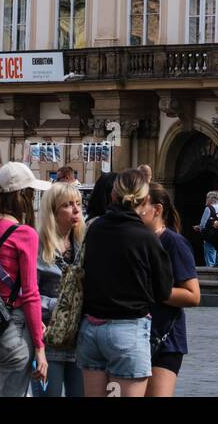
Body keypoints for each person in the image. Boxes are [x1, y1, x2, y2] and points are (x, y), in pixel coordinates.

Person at [76, 169, 173, 398]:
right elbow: (163, 291)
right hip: (127, 330)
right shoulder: (146, 237)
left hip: (92, 330)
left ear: (113, 196)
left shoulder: (95, 229)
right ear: (144, 200)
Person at [0, 161, 49, 397]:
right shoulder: (24, 234)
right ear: (21, 196)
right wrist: (39, 347)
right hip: (13, 329)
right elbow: (31, 294)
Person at [140, 181, 200, 397]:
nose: (135, 209)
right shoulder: (134, 240)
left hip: (165, 339)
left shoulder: (174, 243)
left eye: (140, 203)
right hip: (134, 336)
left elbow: (193, 295)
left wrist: (151, 291)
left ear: (157, 210)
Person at [36, 181, 86, 398]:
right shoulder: (38, 245)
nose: (76, 210)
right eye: (67, 205)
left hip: (80, 339)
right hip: (48, 338)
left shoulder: (83, 243)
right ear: (53, 211)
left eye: (78, 204)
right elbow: (30, 292)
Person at [193, 190, 218, 266]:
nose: (206, 199)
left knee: (210, 256)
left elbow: (203, 224)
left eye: (207, 198)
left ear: (210, 199)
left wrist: (198, 227)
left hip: (209, 236)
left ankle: (211, 275)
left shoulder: (208, 208)